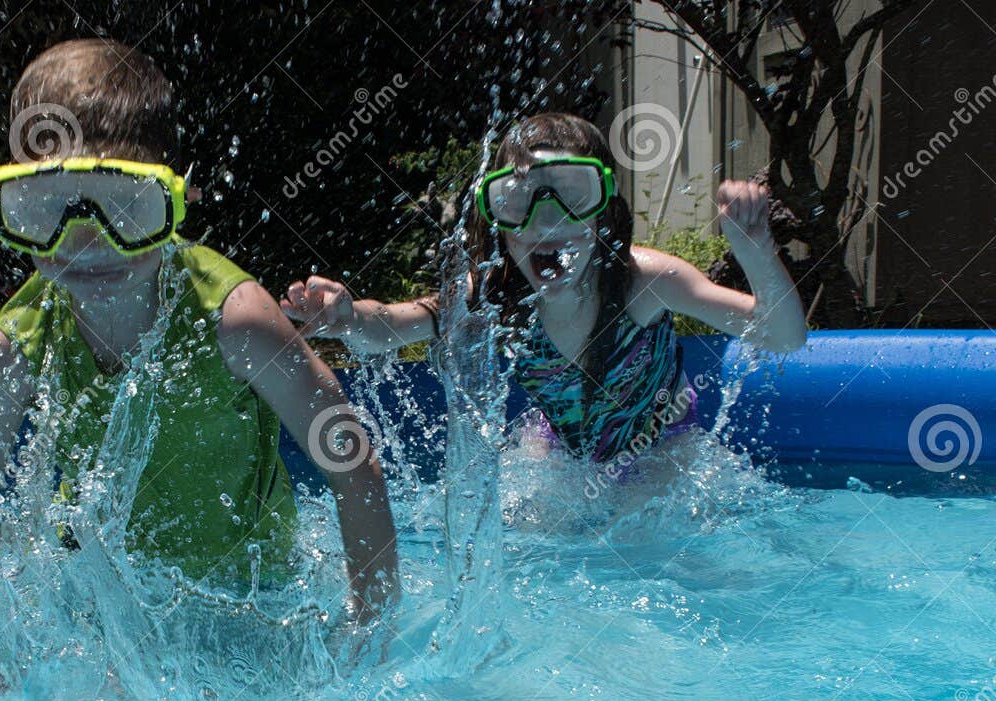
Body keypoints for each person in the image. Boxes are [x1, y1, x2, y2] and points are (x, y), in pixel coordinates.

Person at [0, 38, 399, 624]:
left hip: (251, 602)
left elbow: (350, 462)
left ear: (180, 197)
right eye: (50, 211)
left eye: (125, 209)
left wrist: (371, 626)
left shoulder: (237, 322)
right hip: (97, 605)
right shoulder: (18, 341)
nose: (87, 245)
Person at [280, 112, 808, 466]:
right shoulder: (493, 292)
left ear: (603, 212)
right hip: (554, 450)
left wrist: (756, 249)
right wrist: (348, 318)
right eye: (519, 200)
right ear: (498, 220)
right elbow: (392, 326)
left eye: (572, 195)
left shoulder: (644, 283)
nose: (544, 222)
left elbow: (781, 336)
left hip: (661, 450)